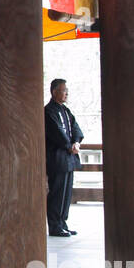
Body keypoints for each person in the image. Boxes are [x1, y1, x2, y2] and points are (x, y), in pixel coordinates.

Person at [45, 78, 84, 237]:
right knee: (57, 192)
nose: (66, 93)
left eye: (67, 90)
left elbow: (76, 128)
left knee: (66, 193)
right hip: (57, 158)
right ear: (54, 91)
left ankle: (62, 222)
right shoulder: (49, 111)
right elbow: (57, 133)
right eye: (63, 90)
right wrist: (69, 146)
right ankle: (55, 226)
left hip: (69, 158)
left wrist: (76, 142)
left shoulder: (66, 111)